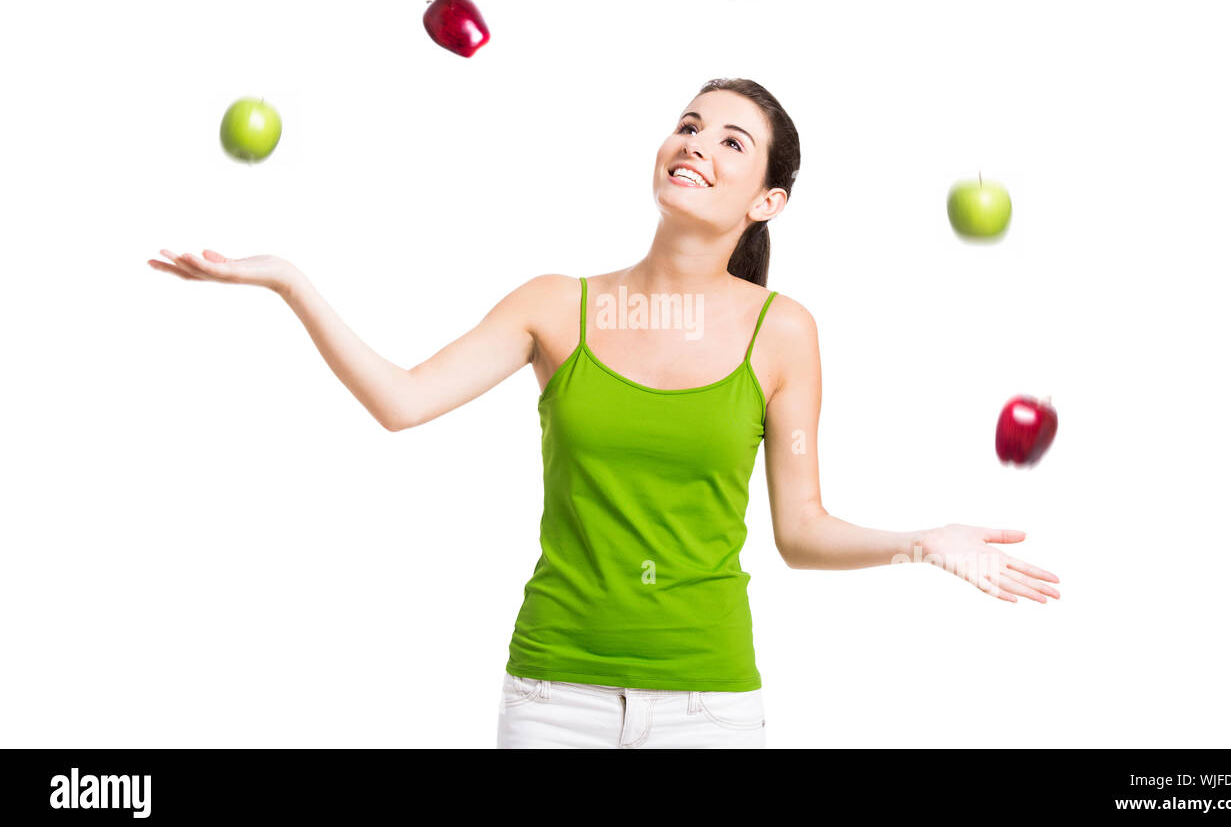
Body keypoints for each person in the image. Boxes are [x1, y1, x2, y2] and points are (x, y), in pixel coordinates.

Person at [148, 78, 1061, 749]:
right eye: (689, 124)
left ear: (767, 201)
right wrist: (287, 281)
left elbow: (802, 529)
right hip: (553, 697)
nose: (696, 142)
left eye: (733, 143)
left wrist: (919, 541)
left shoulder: (784, 335)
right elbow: (403, 400)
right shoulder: (556, 306)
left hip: (710, 706)